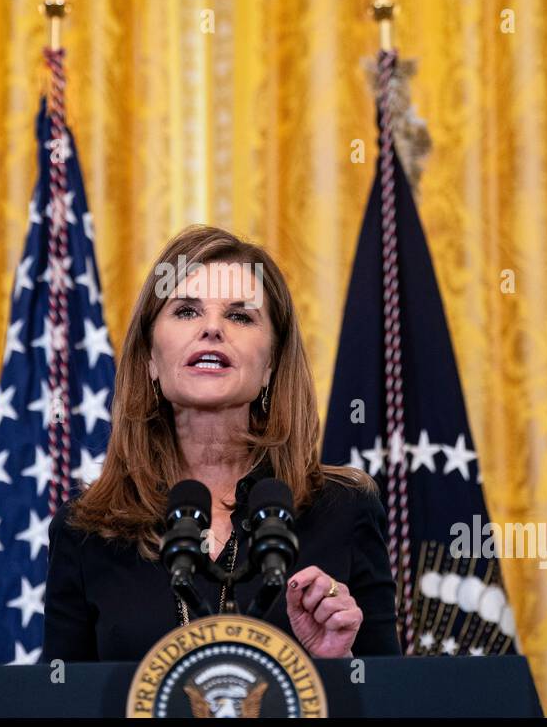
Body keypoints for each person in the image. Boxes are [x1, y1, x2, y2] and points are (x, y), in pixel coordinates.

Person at [41, 224, 401, 662]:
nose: (212, 328)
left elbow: (388, 699)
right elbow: (58, 703)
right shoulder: (86, 532)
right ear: (151, 359)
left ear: (271, 364)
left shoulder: (344, 510)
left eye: (240, 315)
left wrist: (338, 665)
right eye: (187, 311)